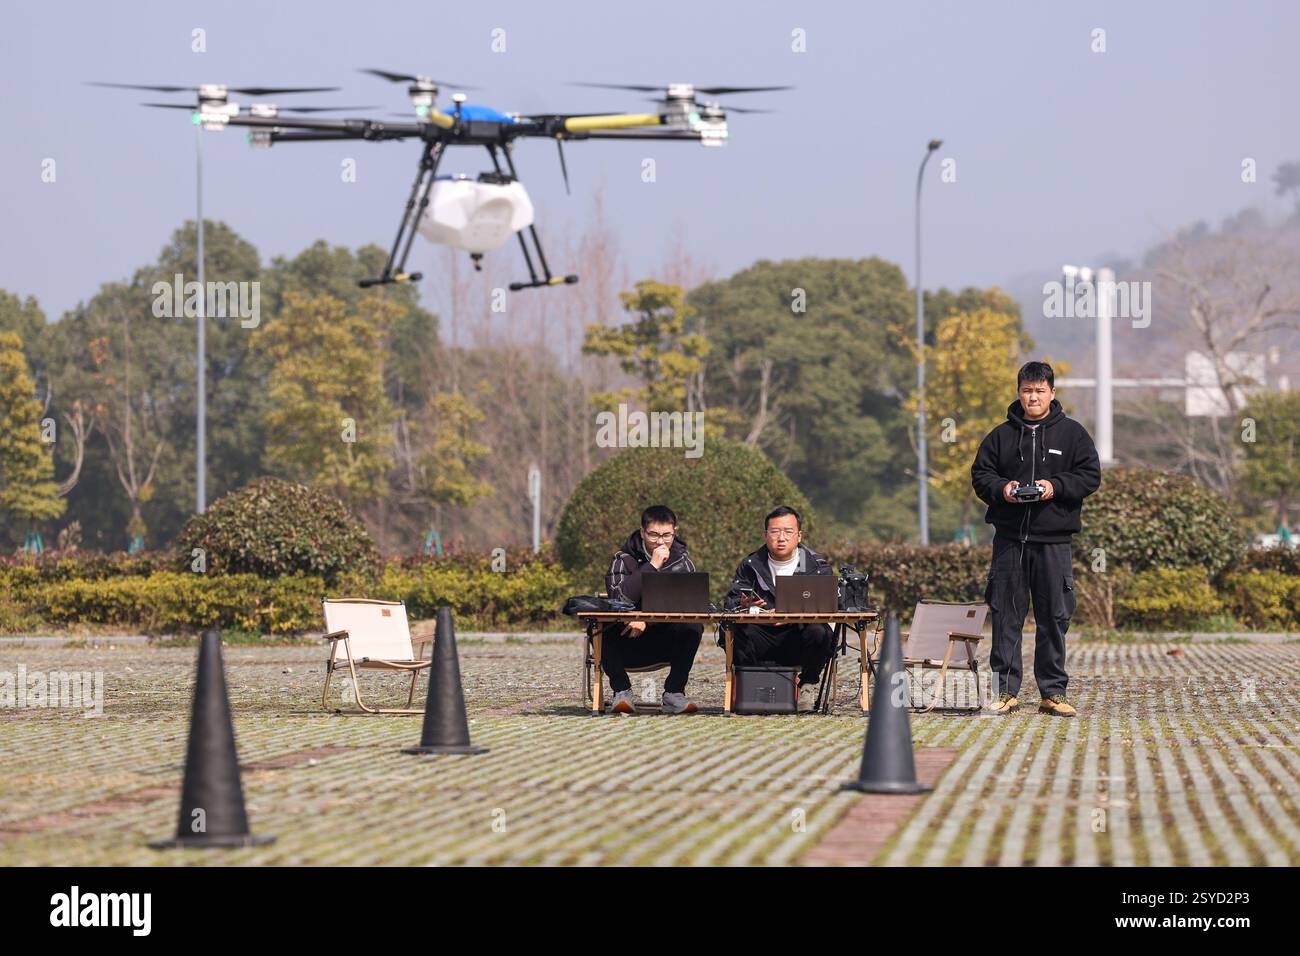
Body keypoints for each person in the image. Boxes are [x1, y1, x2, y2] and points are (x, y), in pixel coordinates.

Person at [971, 361, 1101, 717]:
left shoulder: (1072, 435)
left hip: (1054, 541)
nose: (1033, 397)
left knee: (1054, 616)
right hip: (1009, 540)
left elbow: (1090, 476)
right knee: (1005, 615)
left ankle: (1053, 692)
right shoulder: (999, 436)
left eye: (1040, 391)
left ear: (1052, 393)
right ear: (1018, 392)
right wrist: (1005, 489)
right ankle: (1005, 691)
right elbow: (981, 476)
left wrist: (1053, 486)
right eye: (1027, 390)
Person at [723, 506, 835, 712]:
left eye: (788, 531)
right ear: (765, 535)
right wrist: (742, 606)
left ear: (799, 536)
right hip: (762, 635)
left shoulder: (816, 566)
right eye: (775, 532)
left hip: (797, 638)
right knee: (734, 630)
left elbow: (830, 608)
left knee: (820, 631)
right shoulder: (750, 564)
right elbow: (729, 604)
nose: (781, 538)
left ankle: (807, 686)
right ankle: (753, 686)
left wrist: (792, 616)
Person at [602, 505, 703, 714]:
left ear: (675, 531)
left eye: (667, 535)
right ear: (642, 532)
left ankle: (674, 693)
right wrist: (652, 565)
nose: (660, 541)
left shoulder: (683, 562)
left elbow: (688, 604)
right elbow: (618, 598)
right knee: (599, 627)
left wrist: (646, 618)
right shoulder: (622, 559)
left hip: (665, 640)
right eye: (654, 535)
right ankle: (621, 691)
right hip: (626, 640)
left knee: (693, 626)